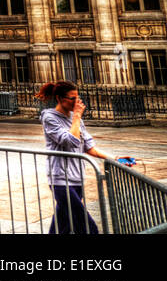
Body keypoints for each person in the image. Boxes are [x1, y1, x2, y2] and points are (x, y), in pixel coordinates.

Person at [38, 81, 121, 234]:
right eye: (72, 98)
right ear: (59, 98)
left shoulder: (78, 121)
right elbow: (70, 142)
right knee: (88, 227)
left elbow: (89, 147)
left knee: (62, 225)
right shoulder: (49, 117)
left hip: (77, 178)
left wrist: (116, 159)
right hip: (61, 180)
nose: (77, 102)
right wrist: (76, 116)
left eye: (78, 98)